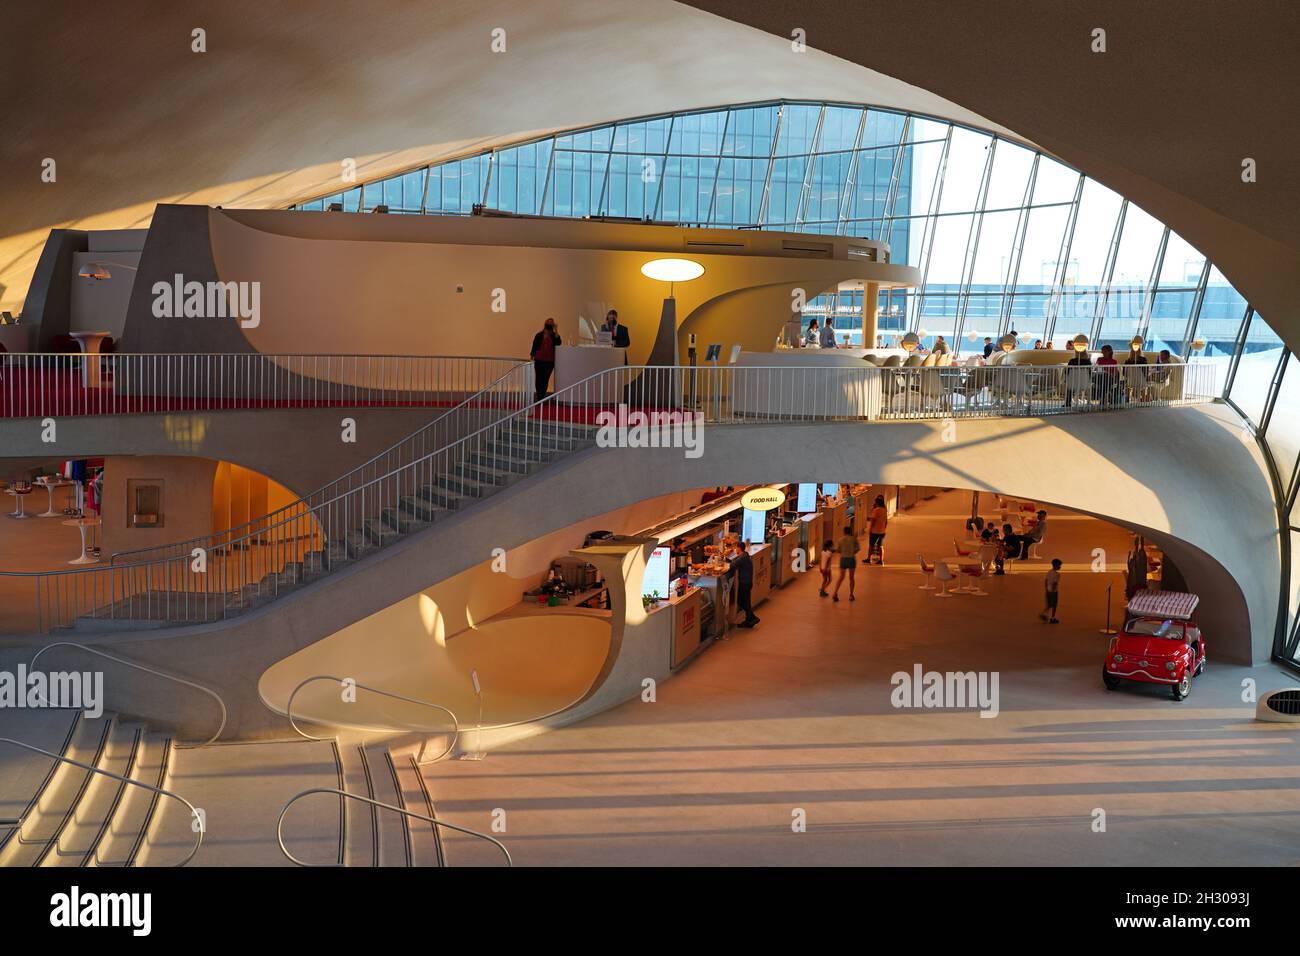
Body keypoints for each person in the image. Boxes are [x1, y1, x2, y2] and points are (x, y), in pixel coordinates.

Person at [529, 317, 562, 403]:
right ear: (545, 324)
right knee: (539, 379)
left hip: (549, 361)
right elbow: (534, 345)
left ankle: (541, 397)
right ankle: (539, 397)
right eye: (548, 322)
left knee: (545, 379)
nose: (549, 324)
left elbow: (559, 344)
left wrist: (556, 331)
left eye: (551, 323)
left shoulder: (555, 336)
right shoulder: (539, 335)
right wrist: (532, 356)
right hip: (539, 360)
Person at [729, 540, 759, 627]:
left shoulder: (742, 558)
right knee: (745, 602)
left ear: (739, 548)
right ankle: (751, 618)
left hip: (744, 583)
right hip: (747, 582)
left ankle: (751, 618)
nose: (735, 549)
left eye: (736, 548)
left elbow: (732, 565)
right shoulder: (745, 555)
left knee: (741, 601)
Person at [831, 524, 860, 602]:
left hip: (843, 560)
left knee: (841, 577)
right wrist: (852, 551)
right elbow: (858, 549)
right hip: (851, 559)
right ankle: (851, 595)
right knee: (851, 578)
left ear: (844, 532)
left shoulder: (840, 540)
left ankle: (835, 593)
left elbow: (839, 550)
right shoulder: (854, 539)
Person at [866, 495, 888, 565]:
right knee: (880, 546)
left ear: (877, 503)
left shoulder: (876, 510)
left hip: (875, 531)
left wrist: (870, 529)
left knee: (871, 545)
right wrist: (884, 528)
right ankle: (881, 560)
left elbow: (873, 520)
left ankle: (868, 558)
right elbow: (886, 521)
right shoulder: (884, 510)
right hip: (882, 531)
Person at [1039, 558, 1063, 623]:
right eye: (1059, 566)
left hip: (1048, 590)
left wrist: (1046, 589)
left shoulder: (1049, 572)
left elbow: (1046, 581)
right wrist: (1053, 591)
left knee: (1049, 605)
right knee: (1054, 605)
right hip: (1054, 592)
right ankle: (1053, 617)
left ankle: (1044, 613)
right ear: (1056, 566)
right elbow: (1055, 583)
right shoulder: (1057, 574)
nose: (1060, 567)